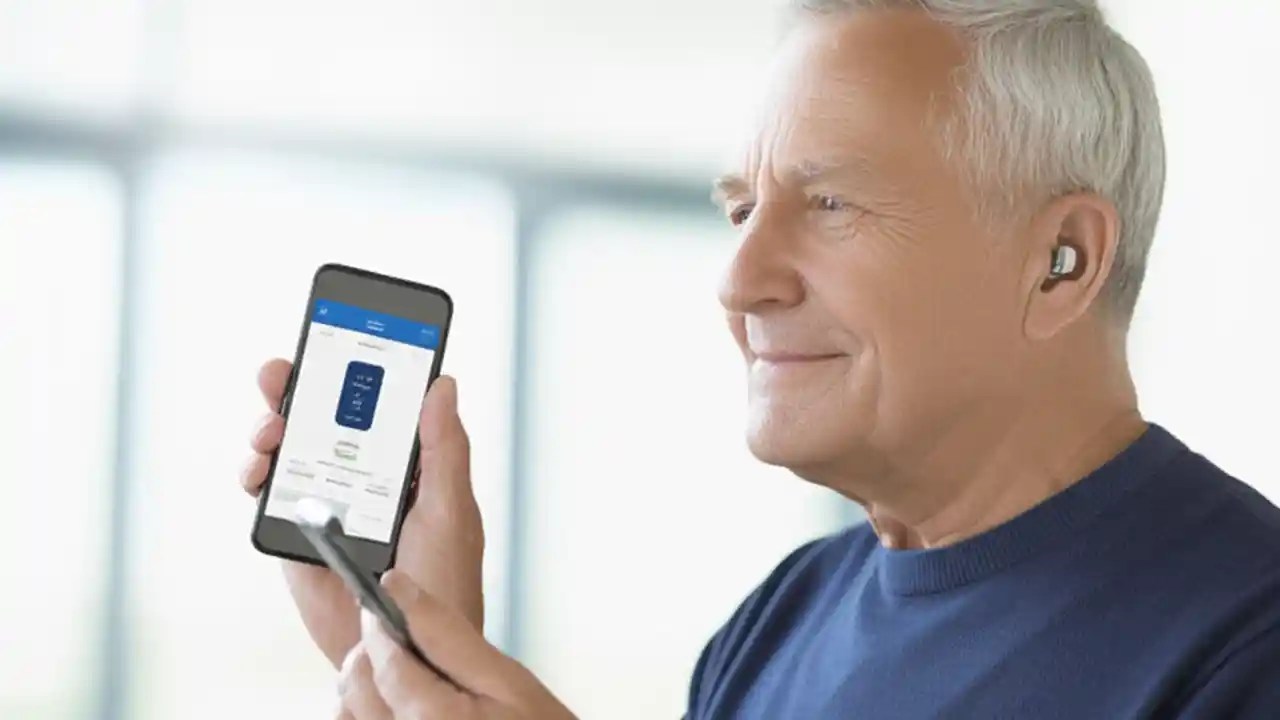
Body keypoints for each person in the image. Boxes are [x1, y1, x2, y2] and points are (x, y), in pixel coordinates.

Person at [241, 1, 1280, 718]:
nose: (738, 283)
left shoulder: (1243, 645)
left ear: (1061, 264)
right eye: (740, 210)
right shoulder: (780, 622)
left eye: (829, 204)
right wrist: (408, 657)